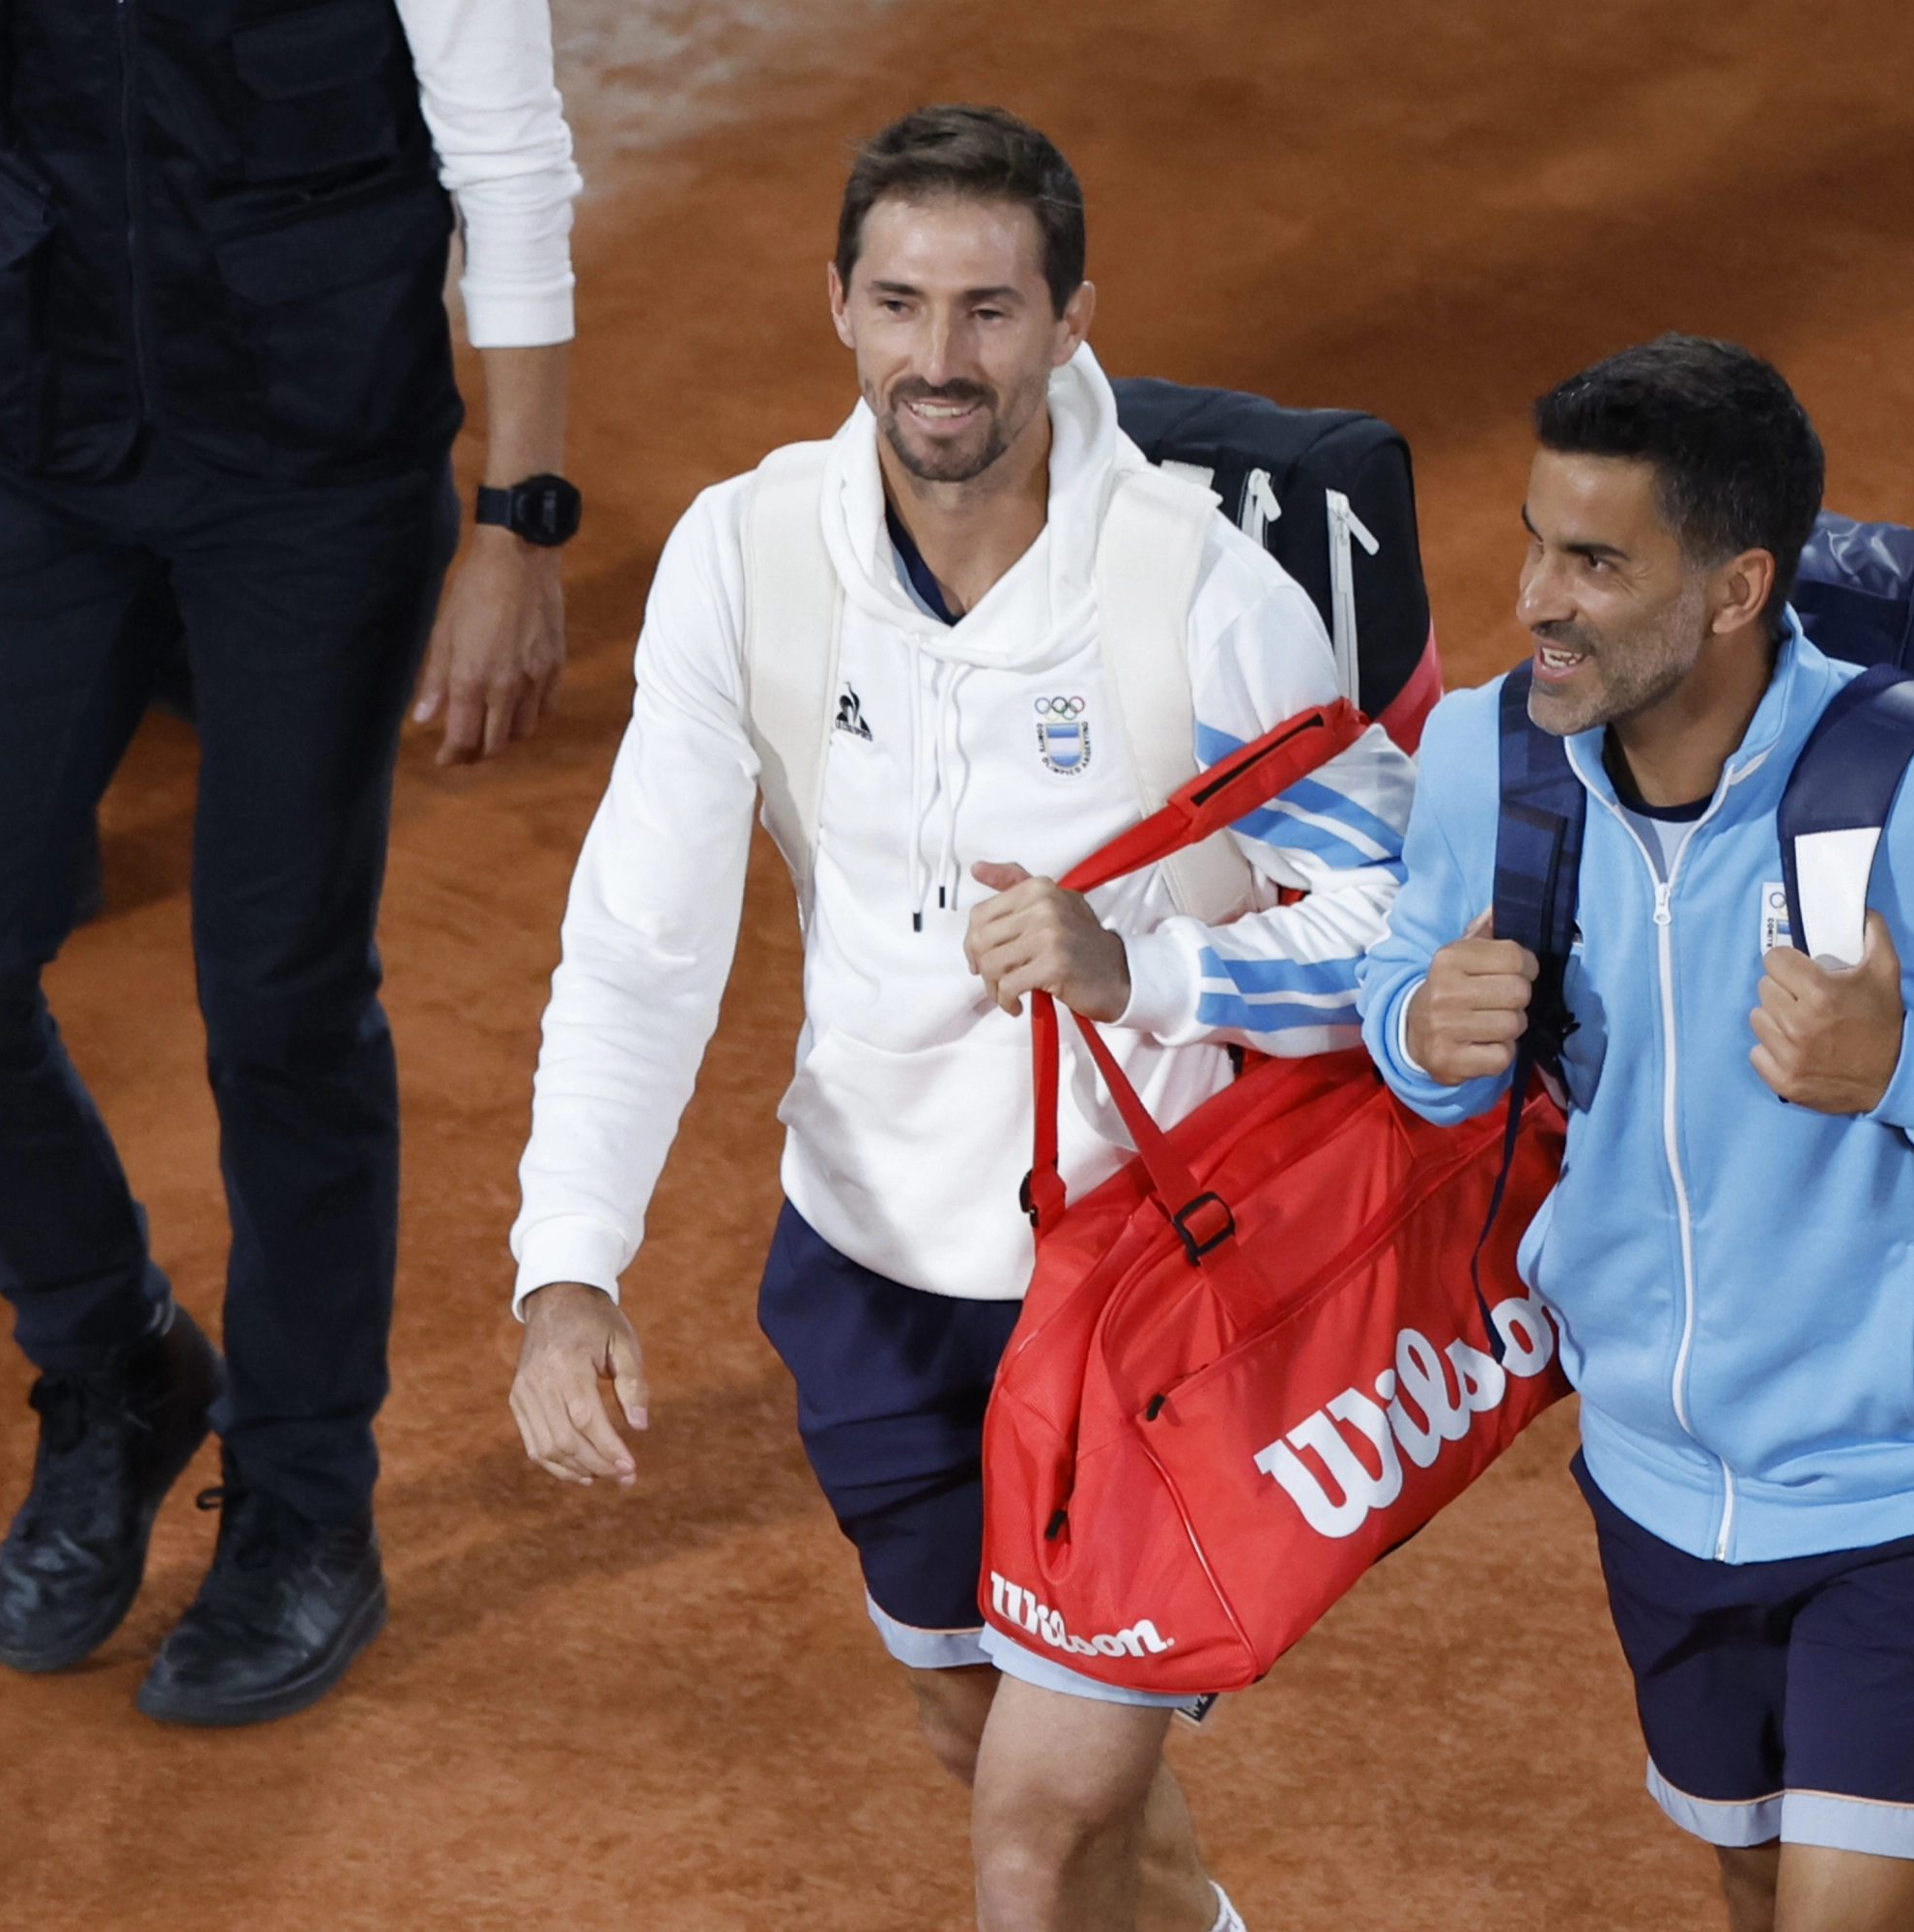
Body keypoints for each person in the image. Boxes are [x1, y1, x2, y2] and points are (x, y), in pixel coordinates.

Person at [504, 105, 1409, 1932]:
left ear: (1073, 319)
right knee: (972, 1722)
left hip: (1130, 1289)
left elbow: (1389, 930)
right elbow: (642, 941)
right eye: (902, 303)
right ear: (836, 303)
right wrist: (567, 1269)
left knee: (1046, 1827)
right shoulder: (744, 556)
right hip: (866, 1267)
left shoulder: (1203, 599)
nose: (940, 361)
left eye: (992, 310)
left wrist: (1138, 966)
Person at [1357, 336, 1914, 1932]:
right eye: (1537, 541)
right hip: (1656, 1481)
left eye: (1597, 561)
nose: (1536, 599)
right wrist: (1418, 1033)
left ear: (1736, 587)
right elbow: (1408, 999)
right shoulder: (1487, 763)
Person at [0, 0, 583, 1723]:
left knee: (281, 995)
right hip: (33, 448)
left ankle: (308, 1495)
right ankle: (116, 1354)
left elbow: (510, 161)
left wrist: (519, 520)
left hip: (313, 472)